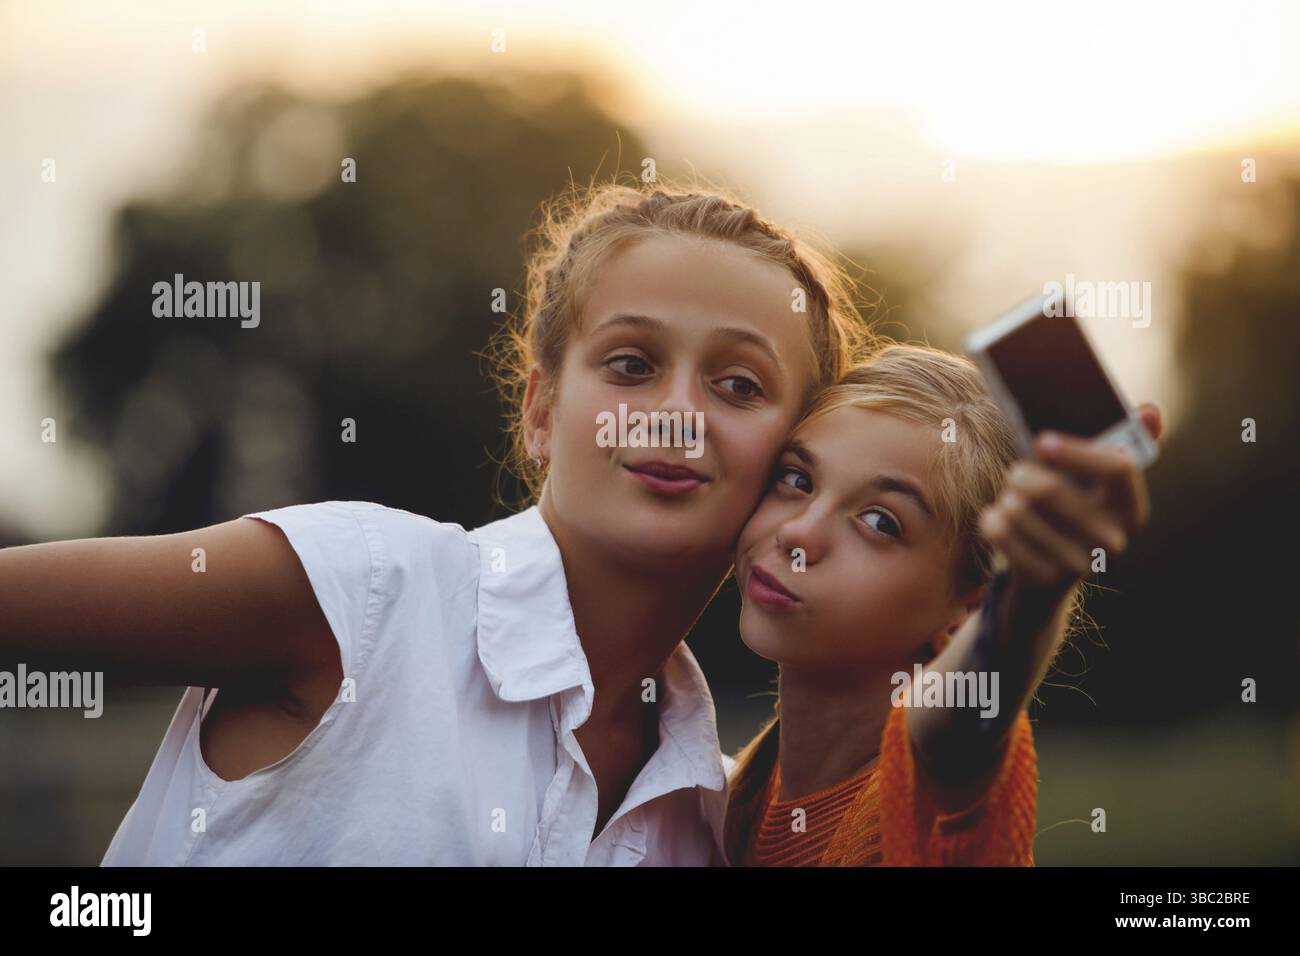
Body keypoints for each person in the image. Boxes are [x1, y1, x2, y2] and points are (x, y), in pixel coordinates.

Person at [0, 177, 878, 865]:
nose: (675, 413)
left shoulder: (716, 820)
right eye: (631, 363)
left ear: (794, 467)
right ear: (540, 411)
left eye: (738, 386)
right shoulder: (362, 591)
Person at [724, 344, 1162, 865]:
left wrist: (1032, 590)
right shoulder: (716, 796)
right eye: (797, 479)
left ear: (967, 614)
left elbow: (962, 718)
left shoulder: (935, 806)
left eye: (880, 522)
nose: (798, 533)